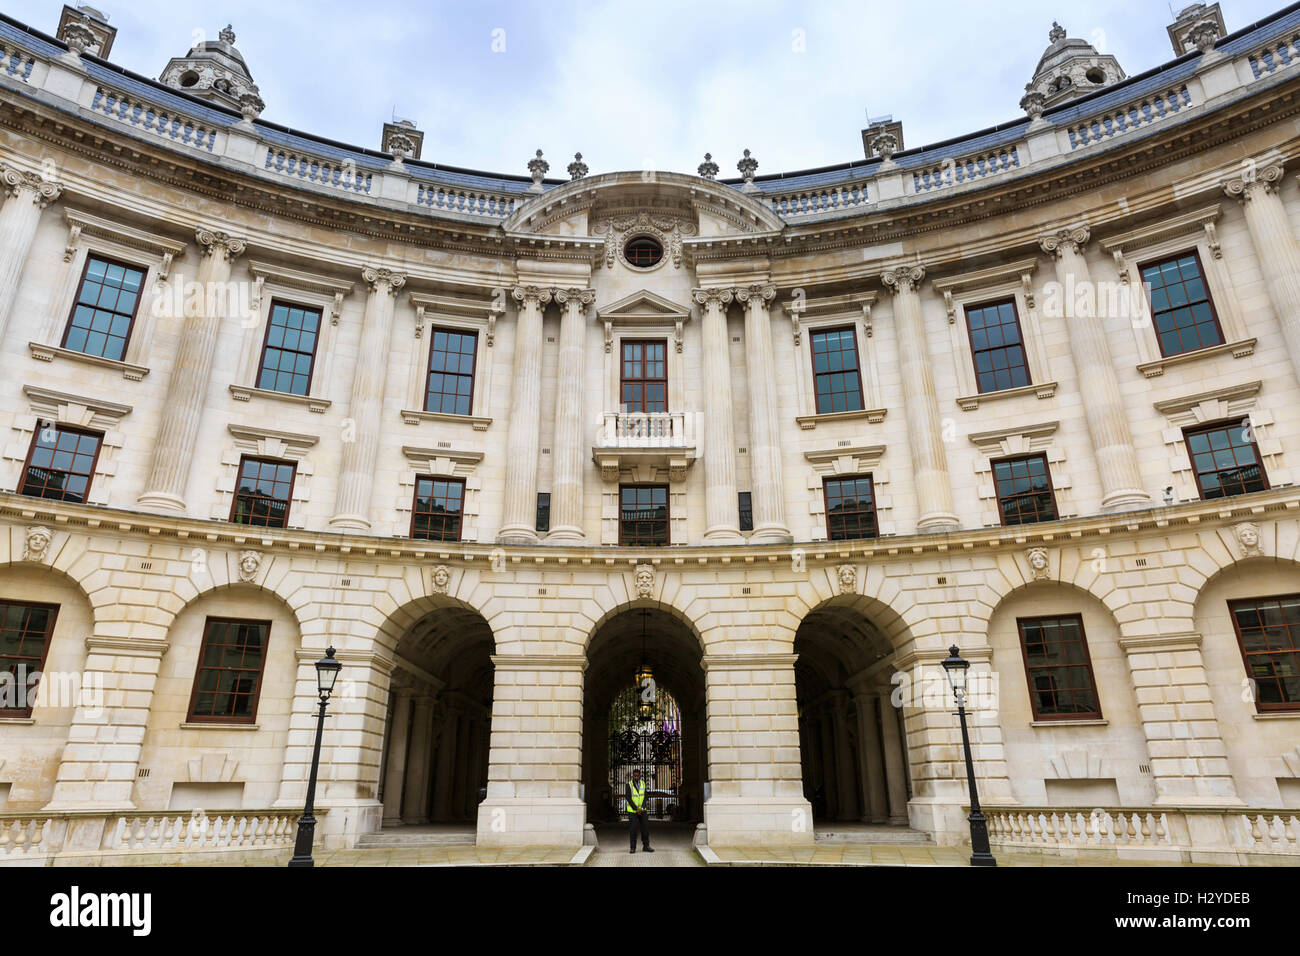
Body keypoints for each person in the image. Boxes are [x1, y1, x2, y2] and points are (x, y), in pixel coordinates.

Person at [625, 768, 672, 853]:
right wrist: (636, 809)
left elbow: (645, 797)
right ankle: (633, 847)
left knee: (645, 828)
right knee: (633, 830)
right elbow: (628, 798)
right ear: (633, 775)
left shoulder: (643, 784)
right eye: (634, 775)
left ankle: (646, 846)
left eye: (637, 776)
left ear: (639, 776)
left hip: (643, 811)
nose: (636, 777)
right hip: (633, 811)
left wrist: (641, 808)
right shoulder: (628, 785)